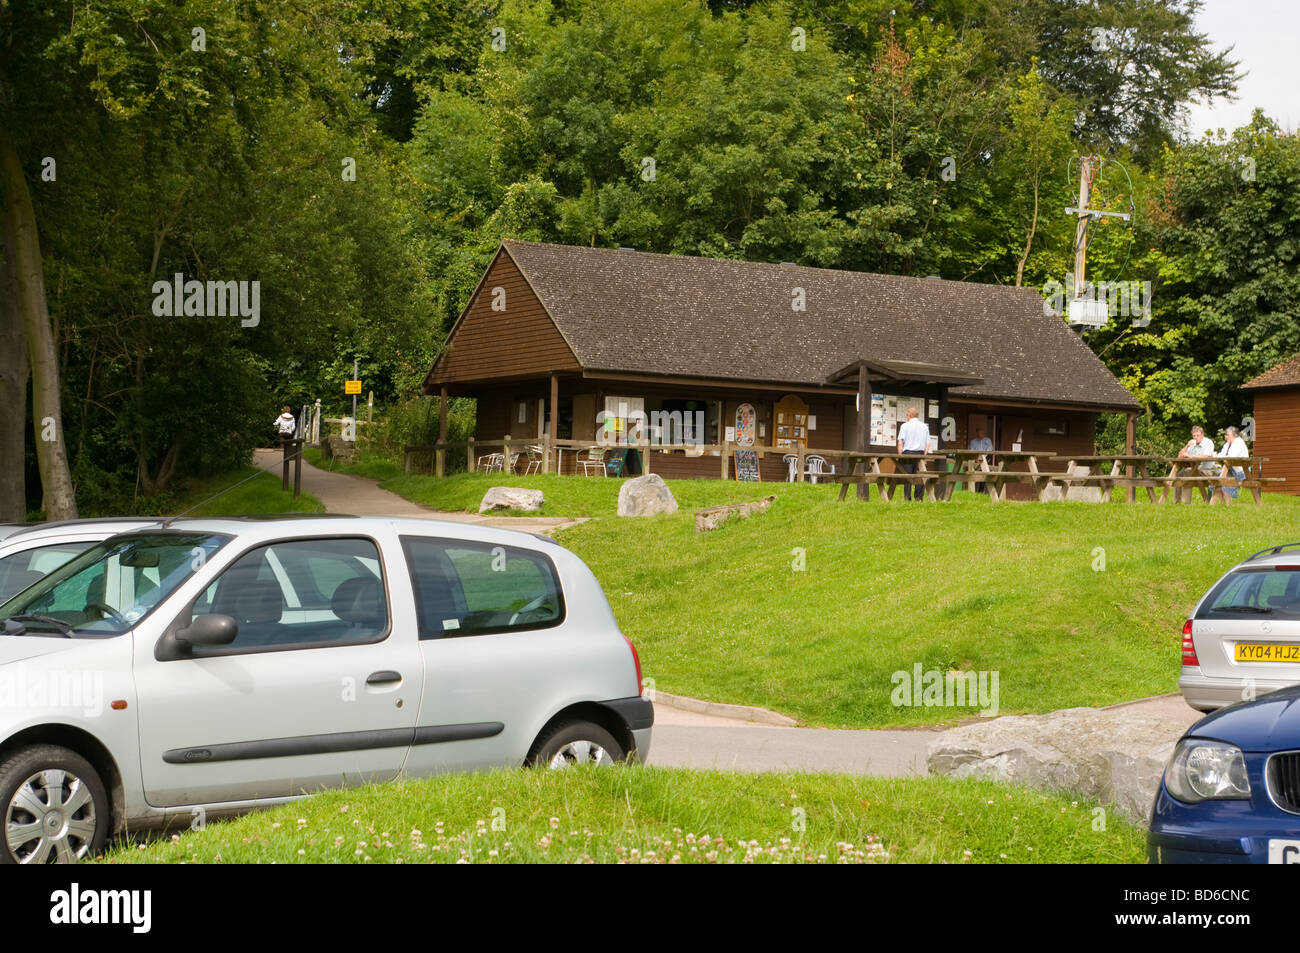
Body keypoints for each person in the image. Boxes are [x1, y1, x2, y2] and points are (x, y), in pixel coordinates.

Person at [896, 406, 931, 502]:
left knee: (907, 477)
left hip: (907, 454)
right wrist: (924, 455)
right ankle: (918, 498)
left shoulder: (904, 426)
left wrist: (900, 455)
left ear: (909, 415)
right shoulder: (924, 426)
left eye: (907, 415)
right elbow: (928, 444)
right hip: (920, 454)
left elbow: (900, 442)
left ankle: (907, 498)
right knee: (919, 476)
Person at [1175, 424, 1216, 502]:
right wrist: (1187, 446)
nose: (1196, 437)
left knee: (1188, 474)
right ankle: (1177, 501)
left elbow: (1206, 456)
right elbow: (1179, 456)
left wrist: (1191, 456)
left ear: (1202, 435)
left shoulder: (1208, 443)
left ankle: (1185, 502)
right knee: (1179, 475)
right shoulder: (1192, 443)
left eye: (1198, 435)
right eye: (1194, 436)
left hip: (1206, 470)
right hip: (1194, 469)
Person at [1219, 425, 1249, 502]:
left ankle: (1227, 505)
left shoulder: (1238, 442)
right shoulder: (1227, 444)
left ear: (1235, 435)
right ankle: (1223, 505)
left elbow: (1232, 456)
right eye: (1225, 435)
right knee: (1216, 482)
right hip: (1231, 470)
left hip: (1242, 472)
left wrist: (1222, 456)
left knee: (1223, 484)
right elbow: (1221, 455)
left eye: (1228, 435)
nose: (1226, 437)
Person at [967, 427, 993, 493]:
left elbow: (989, 450)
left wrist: (982, 458)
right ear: (977, 433)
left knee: (984, 471)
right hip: (975, 460)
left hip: (985, 460)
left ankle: (981, 490)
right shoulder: (973, 441)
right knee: (973, 471)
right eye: (980, 432)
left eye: (983, 433)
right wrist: (976, 458)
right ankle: (973, 490)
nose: (982, 434)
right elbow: (971, 451)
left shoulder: (988, 440)